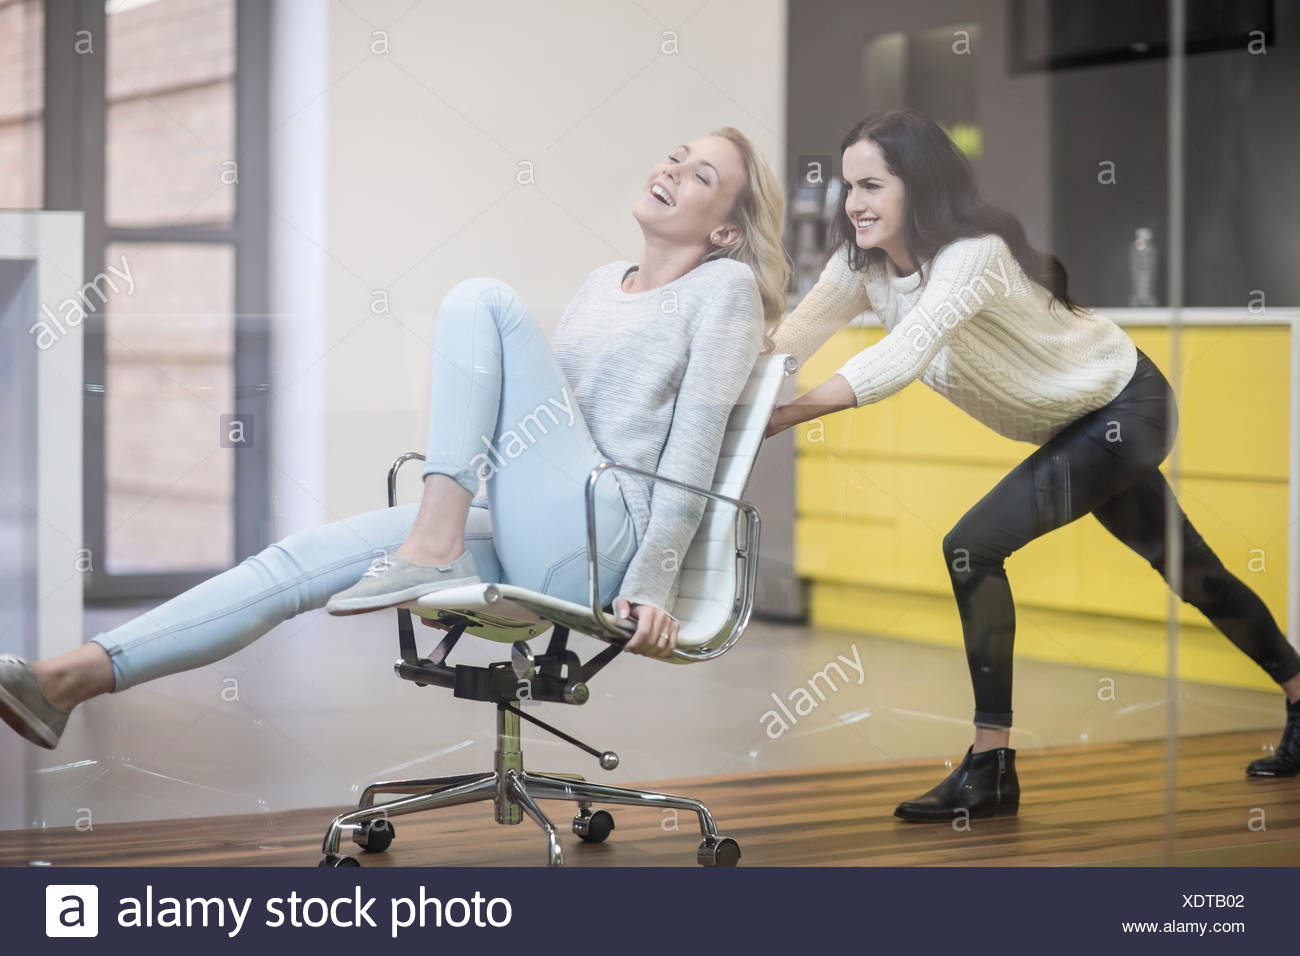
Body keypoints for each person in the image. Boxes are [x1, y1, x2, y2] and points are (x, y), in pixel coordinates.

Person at [1, 127, 790, 752]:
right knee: (295, 563)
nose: (673, 169)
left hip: (602, 540)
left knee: (481, 297)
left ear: (725, 232)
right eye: (677, 156)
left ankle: (432, 535)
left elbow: (692, 454)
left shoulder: (723, 293)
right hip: (537, 523)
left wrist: (651, 584)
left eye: (700, 177)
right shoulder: (600, 283)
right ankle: (66, 679)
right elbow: (551, 430)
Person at [763, 108, 1300, 821]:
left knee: (971, 546)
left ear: (917, 186)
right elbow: (792, 339)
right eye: (847, 187)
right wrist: (723, 386)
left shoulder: (972, 253)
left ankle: (989, 766)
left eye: (872, 185)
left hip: (1126, 407)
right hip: (1078, 427)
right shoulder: (862, 267)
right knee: (1192, 572)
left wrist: (791, 414)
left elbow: (904, 352)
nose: (854, 204)